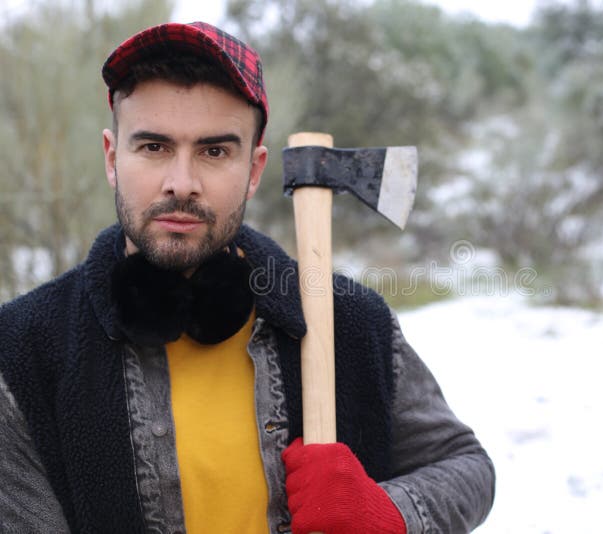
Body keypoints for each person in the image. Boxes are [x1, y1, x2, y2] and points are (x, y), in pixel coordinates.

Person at [0, 21, 495, 534]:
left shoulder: (348, 322)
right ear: (111, 157)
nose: (182, 183)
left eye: (215, 151)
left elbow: (466, 466)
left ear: (255, 169)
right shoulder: (23, 354)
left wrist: (385, 512)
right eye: (153, 147)